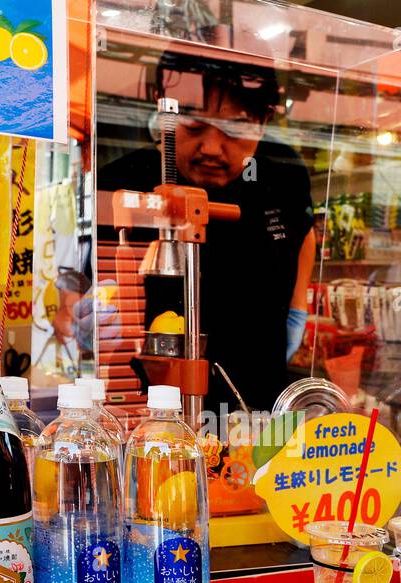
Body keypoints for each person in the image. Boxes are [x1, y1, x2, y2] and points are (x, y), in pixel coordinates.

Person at [96, 52, 315, 414]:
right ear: (162, 109)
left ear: (263, 122)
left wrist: (298, 306)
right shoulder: (121, 180)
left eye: (236, 129)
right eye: (193, 125)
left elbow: (303, 232)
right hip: (155, 402)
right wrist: (89, 312)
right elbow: (84, 284)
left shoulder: (283, 175)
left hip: (258, 390)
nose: (212, 148)